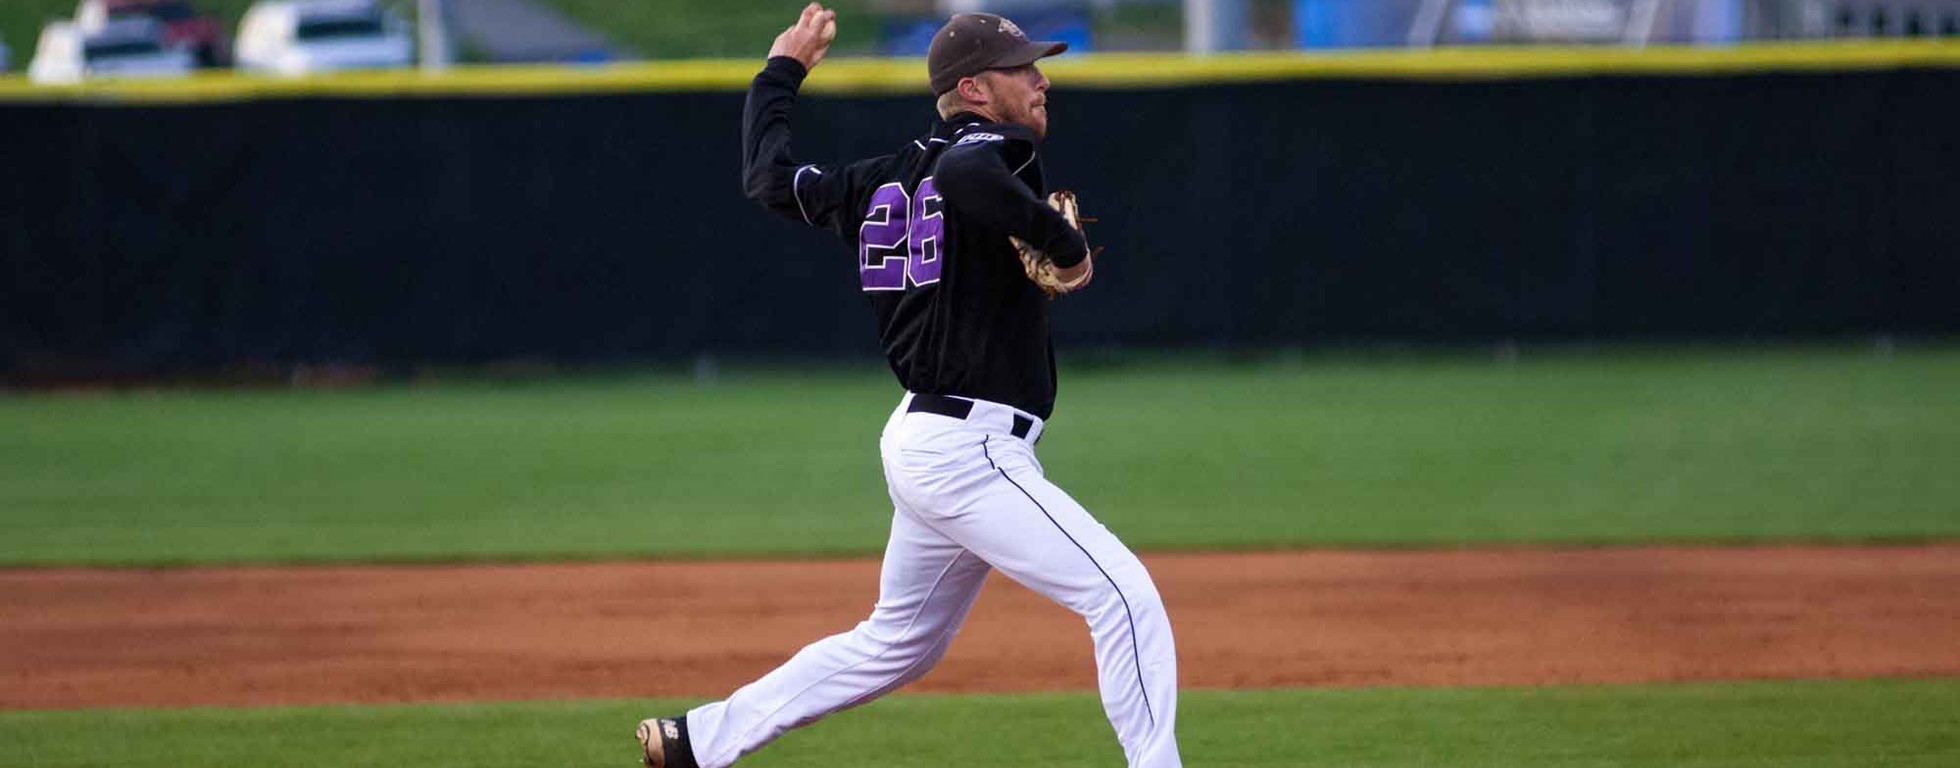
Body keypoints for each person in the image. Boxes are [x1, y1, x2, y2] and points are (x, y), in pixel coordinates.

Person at [636, 5, 1182, 767]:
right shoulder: (995, 146)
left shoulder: (875, 179)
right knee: (1124, 598)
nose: (1041, 79)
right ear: (976, 90)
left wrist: (780, 72)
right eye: (1023, 68)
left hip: (926, 438)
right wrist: (1062, 243)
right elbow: (965, 169)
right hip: (969, 446)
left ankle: (699, 740)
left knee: (897, 644)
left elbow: (768, 178)